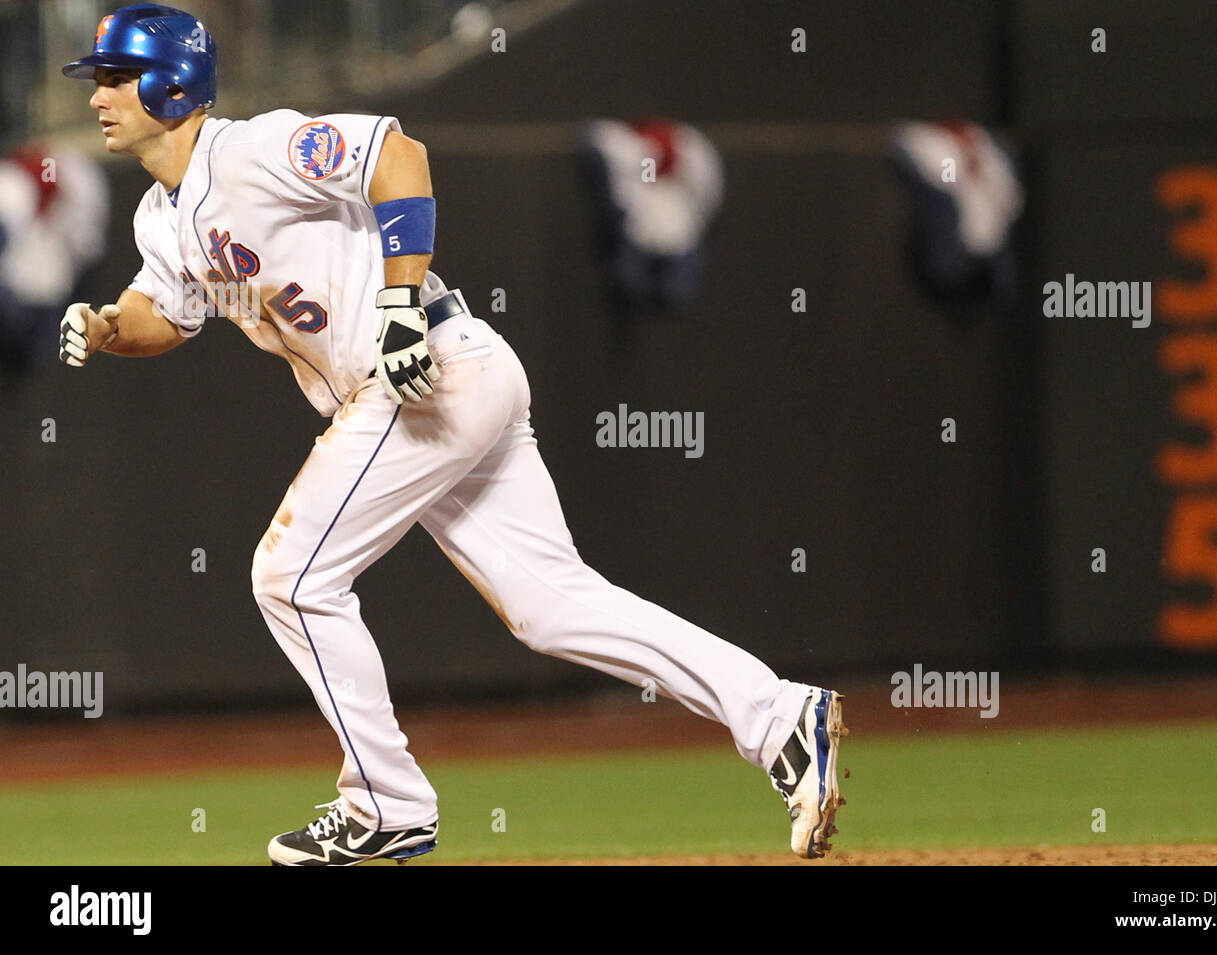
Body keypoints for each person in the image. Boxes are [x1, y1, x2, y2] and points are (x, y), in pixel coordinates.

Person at [60, 4, 846, 865]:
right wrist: (106, 326)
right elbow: (166, 313)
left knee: (290, 576)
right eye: (97, 80)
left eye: (114, 77)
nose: (99, 96)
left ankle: (387, 804)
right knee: (551, 605)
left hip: (424, 370)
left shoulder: (248, 151)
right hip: (440, 383)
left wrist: (397, 301)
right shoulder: (160, 216)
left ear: (173, 82)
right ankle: (780, 718)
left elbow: (397, 155)